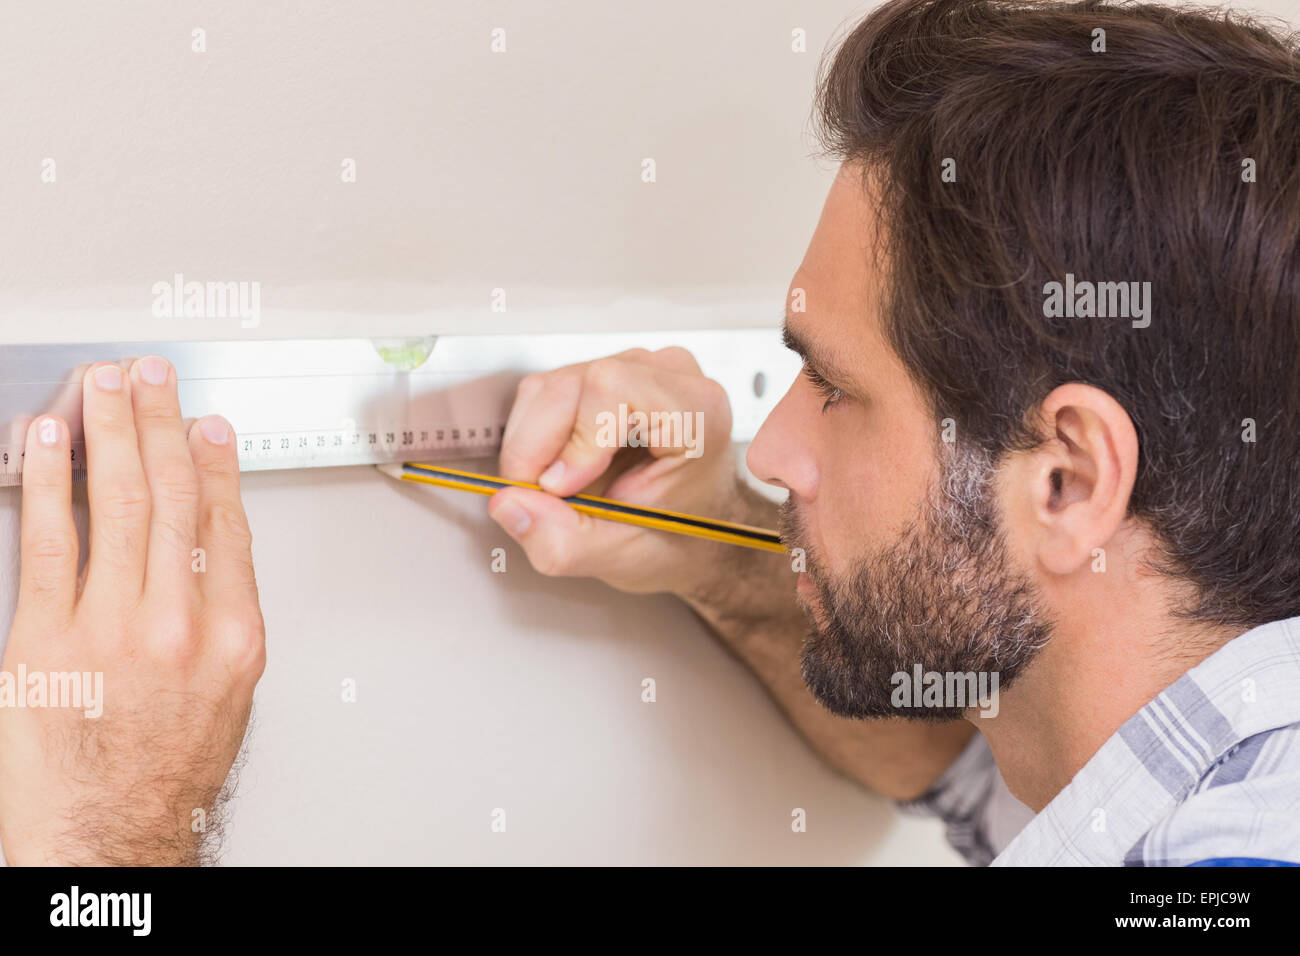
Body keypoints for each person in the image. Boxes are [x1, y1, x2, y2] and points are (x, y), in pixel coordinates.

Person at [3, 0, 1298, 866]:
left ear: (1069, 480)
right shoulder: (1186, 771)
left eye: (832, 388)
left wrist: (102, 830)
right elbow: (971, 765)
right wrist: (735, 561)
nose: (772, 447)